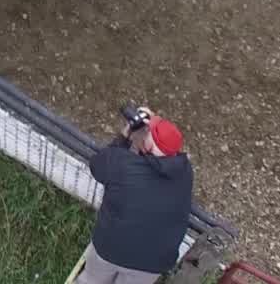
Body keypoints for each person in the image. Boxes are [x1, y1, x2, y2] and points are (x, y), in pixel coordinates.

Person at [76, 107, 194, 284]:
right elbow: (159, 155)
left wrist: (124, 137)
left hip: (110, 248)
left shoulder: (123, 163)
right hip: (152, 263)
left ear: (149, 145)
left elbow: (98, 165)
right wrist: (156, 125)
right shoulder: (185, 172)